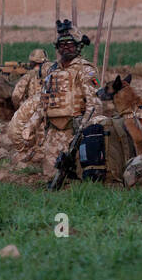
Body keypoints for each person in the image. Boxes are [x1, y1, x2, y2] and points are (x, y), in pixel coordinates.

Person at [10, 21, 99, 179]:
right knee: (51, 175)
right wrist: (31, 125)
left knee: (80, 175)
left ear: (78, 46)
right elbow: (44, 102)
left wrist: (83, 129)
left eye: (70, 44)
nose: (65, 47)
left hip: (76, 129)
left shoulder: (84, 69)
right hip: (54, 132)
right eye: (62, 44)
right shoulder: (52, 70)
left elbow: (94, 104)